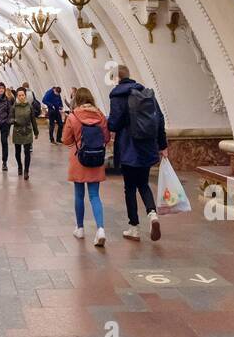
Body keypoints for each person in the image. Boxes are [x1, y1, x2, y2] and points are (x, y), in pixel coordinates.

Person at [107, 64, 167, 241]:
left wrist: (109, 123)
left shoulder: (118, 95)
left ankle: (133, 227)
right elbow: (160, 119)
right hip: (147, 147)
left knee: (129, 188)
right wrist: (163, 145)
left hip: (128, 147)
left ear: (117, 78)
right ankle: (152, 214)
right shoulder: (146, 93)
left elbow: (114, 124)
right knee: (143, 183)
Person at [63, 87, 108, 246]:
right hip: (96, 158)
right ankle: (100, 229)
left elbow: (66, 139)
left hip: (79, 159)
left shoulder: (73, 116)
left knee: (79, 194)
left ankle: (80, 228)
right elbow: (107, 137)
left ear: (77, 100)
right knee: (95, 195)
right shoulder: (100, 116)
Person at [11, 87, 36, 179]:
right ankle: (20, 167)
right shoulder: (14, 107)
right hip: (17, 131)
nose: (21, 97)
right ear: (17, 96)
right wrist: (13, 120)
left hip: (27, 131)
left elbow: (33, 119)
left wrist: (36, 132)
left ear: (25, 96)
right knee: (17, 152)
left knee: (27, 152)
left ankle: (26, 171)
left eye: (23, 95)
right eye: (19, 95)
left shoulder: (29, 106)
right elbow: (10, 118)